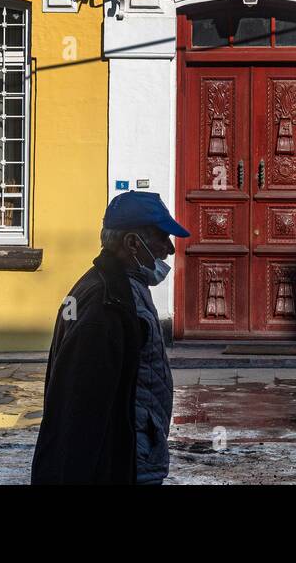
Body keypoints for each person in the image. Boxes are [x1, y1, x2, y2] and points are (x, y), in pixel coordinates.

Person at [30, 191, 189, 485]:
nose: (168, 249)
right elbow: (83, 407)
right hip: (125, 464)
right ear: (131, 243)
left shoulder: (119, 287)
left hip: (136, 454)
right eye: (161, 238)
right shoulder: (107, 302)